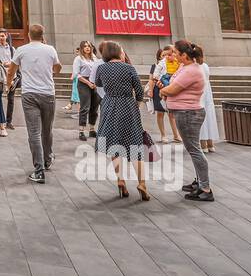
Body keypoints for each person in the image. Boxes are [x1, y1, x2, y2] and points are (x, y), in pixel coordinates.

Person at [94, 40, 150, 200]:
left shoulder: (101, 68)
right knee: (135, 146)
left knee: (113, 144)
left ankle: (121, 180)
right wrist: (136, 104)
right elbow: (139, 91)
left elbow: (98, 83)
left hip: (109, 106)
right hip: (127, 105)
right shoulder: (129, 68)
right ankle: (142, 184)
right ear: (119, 52)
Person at [160, 39, 213, 202]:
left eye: (175, 52)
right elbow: (172, 83)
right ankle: (200, 182)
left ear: (184, 55)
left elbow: (173, 88)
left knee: (195, 150)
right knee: (193, 149)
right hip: (185, 112)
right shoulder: (185, 67)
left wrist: (163, 90)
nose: (173, 55)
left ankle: (205, 188)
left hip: (189, 113)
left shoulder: (192, 70)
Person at [9, 24, 61, 183]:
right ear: (43, 35)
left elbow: (11, 70)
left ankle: (39, 171)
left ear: (28, 35)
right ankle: (47, 158)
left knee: (34, 132)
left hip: (29, 94)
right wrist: (49, 70)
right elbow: (58, 68)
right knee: (47, 129)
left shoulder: (21, 50)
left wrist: (8, 83)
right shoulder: (50, 50)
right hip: (48, 94)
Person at [194, 44, 220, 153]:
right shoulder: (205, 65)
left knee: (201, 118)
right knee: (209, 116)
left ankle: (203, 144)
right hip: (207, 93)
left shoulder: (195, 66)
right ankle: (210, 144)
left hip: (199, 93)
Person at [75, 41, 102, 142]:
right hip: (83, 83)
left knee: (94, 107)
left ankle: (92, 129)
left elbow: (98, 70)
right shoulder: (78, 59)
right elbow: (77, 75)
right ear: (82, 48)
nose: (87, 48)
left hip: (94, 83)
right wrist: (88, 83)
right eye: (85, 46)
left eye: (89, 46)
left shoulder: (94, 58)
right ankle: (81, 131)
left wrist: (95, 82)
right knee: (85, 107)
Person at [0, 30, 17, 129]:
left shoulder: (12, 49)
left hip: (11, 77)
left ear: (6, 36)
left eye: (2, 36)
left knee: (10, 100)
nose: (1, 38)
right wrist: (2, 64)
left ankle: (9, 121)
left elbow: (16, 62)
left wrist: (8, 64)